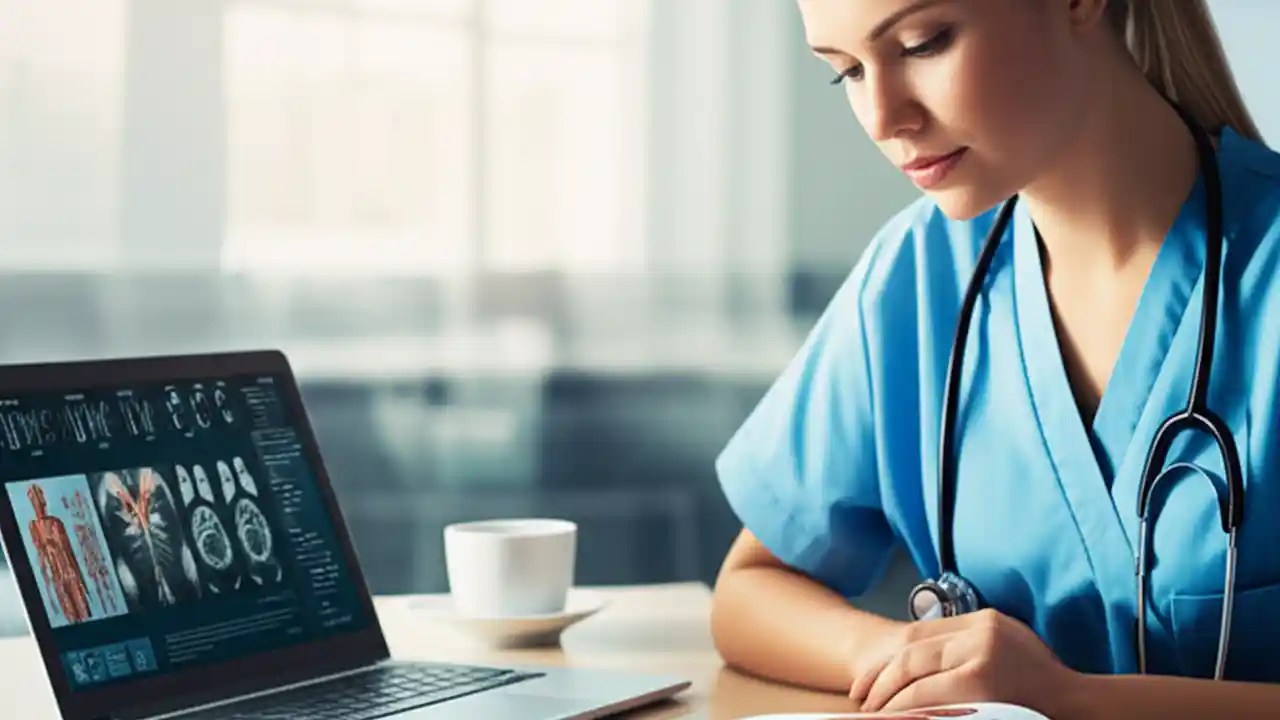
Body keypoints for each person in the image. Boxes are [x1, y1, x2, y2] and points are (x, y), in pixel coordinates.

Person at [710, 1, 1280, 717]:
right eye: (847, 72)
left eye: (925, 43)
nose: (884, 118)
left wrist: (1069, 699)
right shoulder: (918, 277)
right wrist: (906, 660)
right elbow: (751, 587)